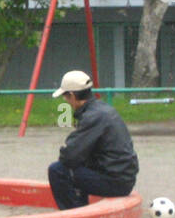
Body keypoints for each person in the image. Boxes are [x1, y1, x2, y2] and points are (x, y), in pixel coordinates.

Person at [47, 70, 139, 210]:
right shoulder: (102, 109)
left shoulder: (93, 117)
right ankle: (81, 208)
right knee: (78, 166)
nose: (65, 100)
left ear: (72, 95)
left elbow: (69, 155)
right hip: (123, 177)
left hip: (116, 182)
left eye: (65, 96)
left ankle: (74, 217)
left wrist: (68, 154)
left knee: (57, 170)